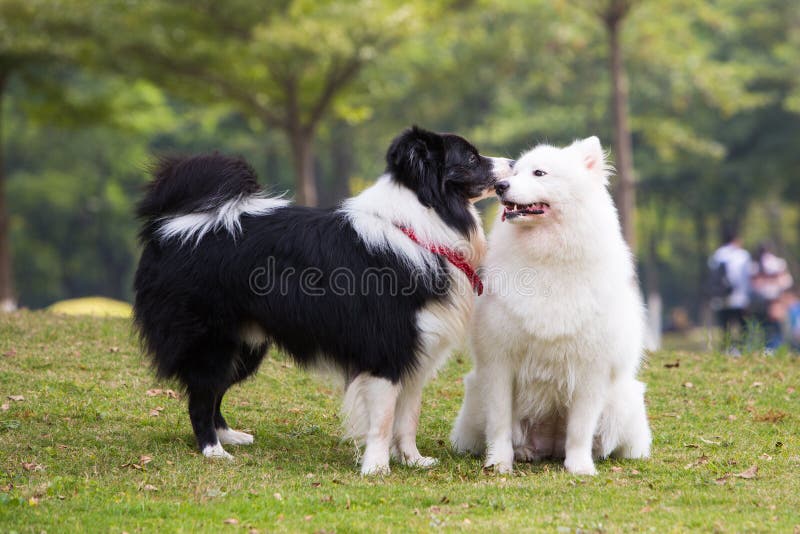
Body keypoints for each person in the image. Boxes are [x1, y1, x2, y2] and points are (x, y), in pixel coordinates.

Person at [708, 226, 751, 352]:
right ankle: (742, 351)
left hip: (720, 299)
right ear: (736, 239)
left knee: (724, 328)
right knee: (743, 328)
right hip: (740, 298)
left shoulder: (717, 254)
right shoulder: (742, 255)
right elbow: (746, 278)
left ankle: (725, 350)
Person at [750, 242, 793, 350]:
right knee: (776, 330)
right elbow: (787, 282)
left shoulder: (753, 265)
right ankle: (774, 350)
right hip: (775, 301)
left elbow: (752, 285)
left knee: (763, 329)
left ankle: (765, 350)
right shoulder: (778, 263)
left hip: (759, 302)